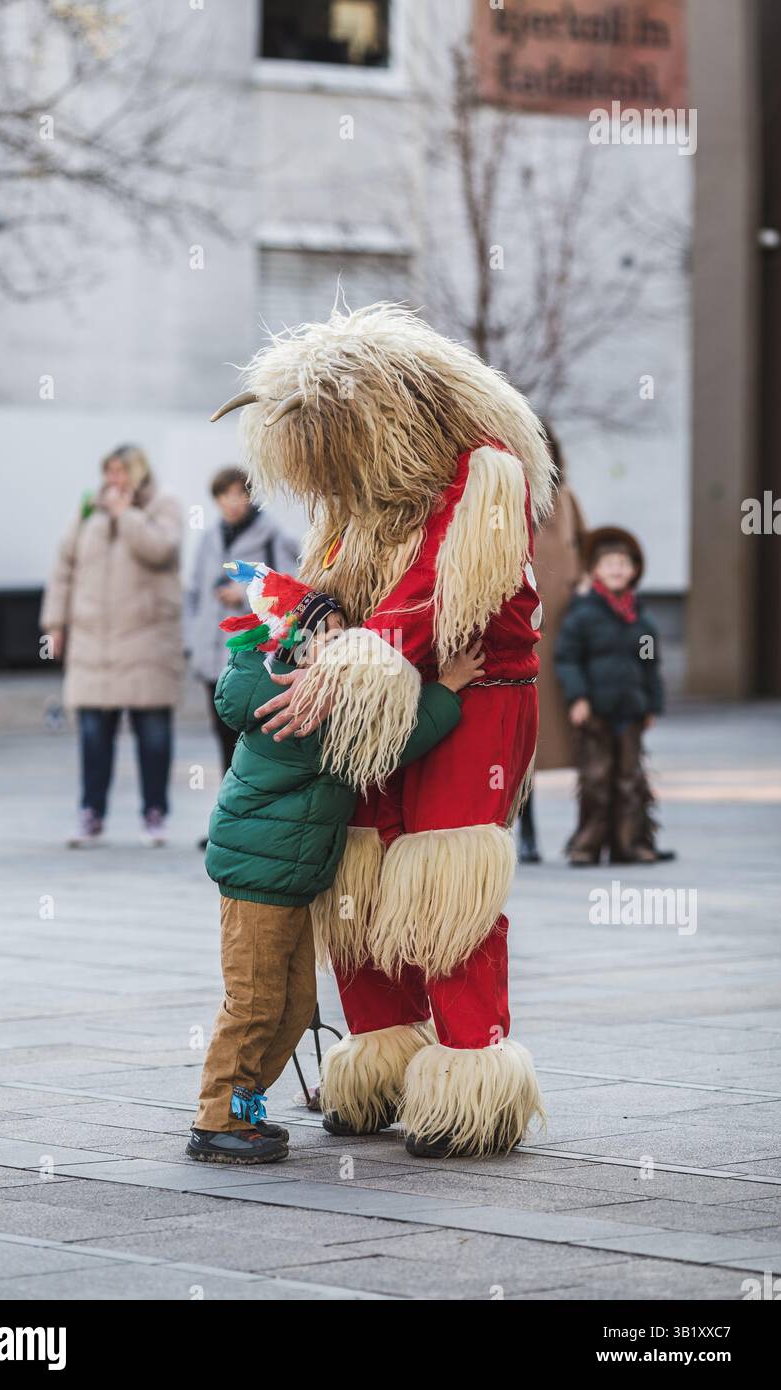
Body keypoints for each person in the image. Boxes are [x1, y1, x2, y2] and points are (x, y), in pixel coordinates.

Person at [209, 301, 555, 1158]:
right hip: (376, 695)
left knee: (443, 886)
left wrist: (342, 665)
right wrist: (317, 649)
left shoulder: (484, 470)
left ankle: (473, 1077)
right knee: (360, 875)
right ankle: (381, 1061)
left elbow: (438, 592)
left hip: (469, 694)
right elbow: (323, 594)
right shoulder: (356, 500)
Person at [187, 560, 483, 1165]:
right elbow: (388, 740)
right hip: (258, 879)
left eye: (348, 630)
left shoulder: (308, 694)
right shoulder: (295, 709)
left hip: (289, 879)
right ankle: (217, 1118)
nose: (345, 642)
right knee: (254, 1003)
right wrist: (448, 691)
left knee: (293, 1007)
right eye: (330, 634)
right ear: (296, 647)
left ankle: (242, 1112)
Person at [41, 445, 183, 848]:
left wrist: (128, 516)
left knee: (153, 733)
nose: (113, 481)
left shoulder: (162, 504)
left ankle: (155, 813)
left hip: (146, 641)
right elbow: (62, 569)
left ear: (137, 473)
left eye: (121, 473)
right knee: (92, 734)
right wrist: (54, 625)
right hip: (93, 645)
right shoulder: (89, 511)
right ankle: (91, 813)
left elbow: (163, 549)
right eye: (109, 473)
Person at [554, 525, 672, 865]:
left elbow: (650, 665)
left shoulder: (642, 622)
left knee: (630, 781)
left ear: (634, 571)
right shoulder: (583, 616)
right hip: (595, 713)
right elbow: (568, 659)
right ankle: (587, 846)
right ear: (594, 572)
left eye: (623, 564)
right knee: (596, 779)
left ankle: (628, 844)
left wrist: (652, 704)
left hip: (630, 711)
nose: (617, 570)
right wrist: (578, 698)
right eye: (609, 565)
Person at [185, 465, 297, 781]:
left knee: (252, 739)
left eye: (240, 494)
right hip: (212, 657)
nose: (233, 501)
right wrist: (193, 643)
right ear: (216, 499)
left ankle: (250, 814)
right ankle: (227, 812)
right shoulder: (208, 538)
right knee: (221, 736)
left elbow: (292, 593)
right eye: (225, 495)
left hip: (255, 658)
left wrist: (246, 594)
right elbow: (194, 593)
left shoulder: (272, 537)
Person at [519, 422, 588, 863]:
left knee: (576, 731)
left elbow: (587, 551)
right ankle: (525, 829)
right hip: (524, 629)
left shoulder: (566, 500)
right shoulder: (505, 499)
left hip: (566, 633)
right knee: (523, 736)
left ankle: (596, 829)